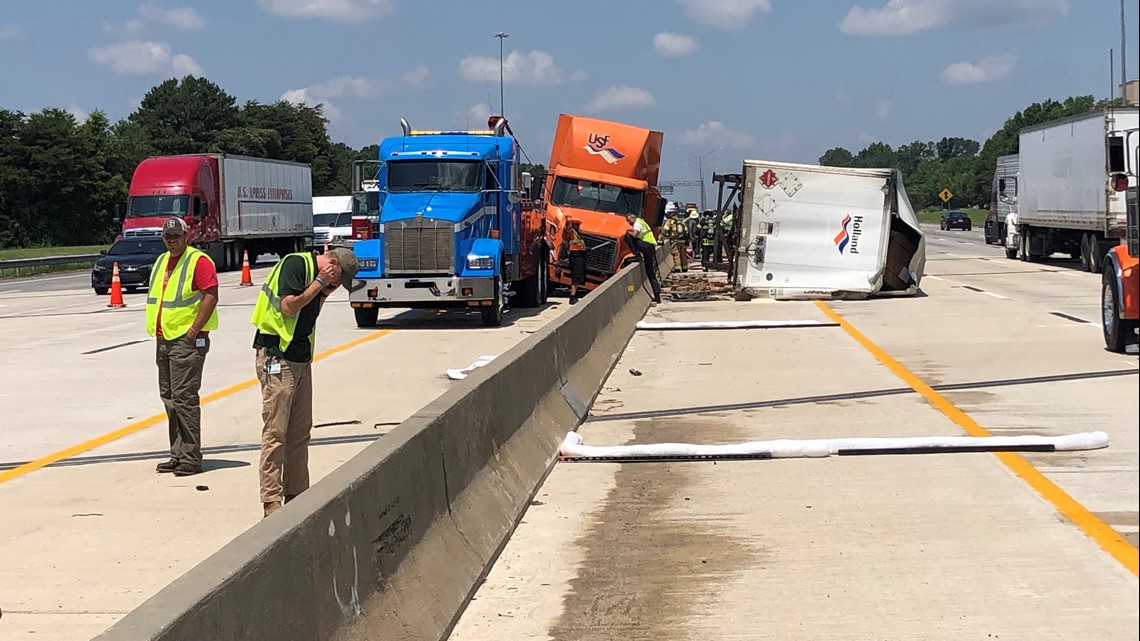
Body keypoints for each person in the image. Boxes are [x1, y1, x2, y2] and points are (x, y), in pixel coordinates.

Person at [251, 247, 358, 517]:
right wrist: (320, 283)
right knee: (276, 432)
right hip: (277, 356)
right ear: (332, 264)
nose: (337, 285)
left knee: (300, 432)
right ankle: (272, 500)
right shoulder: (296, 265)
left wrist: (322, 294)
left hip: (300, 358)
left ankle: (296, 493)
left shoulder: (319, 282)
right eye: (338, 278)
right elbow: (288, 307)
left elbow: (308, 316)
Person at [147, 216, 219, 477]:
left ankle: (190, 456)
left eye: (176, 236)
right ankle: (177, 453)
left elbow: (211, 295)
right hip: (164, 338)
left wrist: (192, 332)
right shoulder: (162, 261)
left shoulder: (197, 261)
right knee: (169, 397)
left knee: (184, 398)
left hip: (185, 341)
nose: (172, 240)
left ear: (186, 236)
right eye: (167, 237)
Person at [624, 212, 662, 304]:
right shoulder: (642, 221)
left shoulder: (637, 223)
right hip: (650, 247)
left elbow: (635, 235)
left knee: (627, 236)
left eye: (629, 220)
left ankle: (637, 255)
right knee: (650, 272)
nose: (629, 222)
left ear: (633, 218)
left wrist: (628, 231)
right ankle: (657, 296)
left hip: (647, 246)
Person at [561, 217, 588, 304]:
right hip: (575, 255)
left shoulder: (578, 233)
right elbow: (567, 227)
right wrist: (569, 220)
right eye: (576, 224)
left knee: (579, 276)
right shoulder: (570, 232)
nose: (578, 226)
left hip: (580, 255)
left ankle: (575, 294)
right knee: (576, 276)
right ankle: (573, 296)